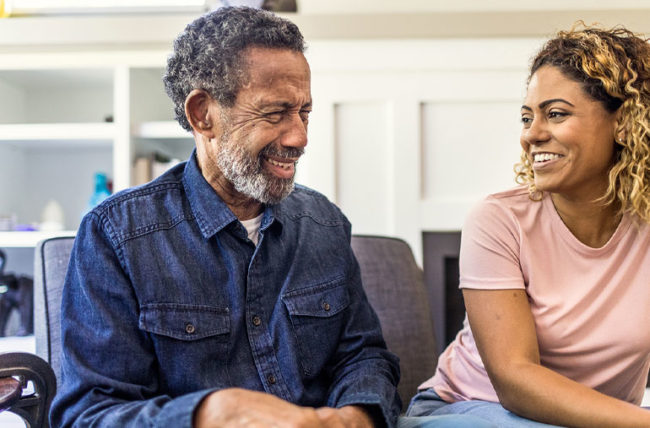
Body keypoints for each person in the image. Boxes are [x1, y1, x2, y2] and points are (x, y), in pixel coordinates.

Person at [50, 7, 493, 428]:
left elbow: (363, 356)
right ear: (203, 115)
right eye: (276, 112)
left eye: (304, 112)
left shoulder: (324, 223)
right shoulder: (117, 235)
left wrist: (356, 414)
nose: (299, 137)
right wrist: (209, 414)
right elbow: (88, 413)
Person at [406, 23, 650, 427]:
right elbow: (514, 379)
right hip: (468, 409)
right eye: (526, 117)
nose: (531, 135)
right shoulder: (499, 220)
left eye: (555, 114)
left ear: (623, 123)